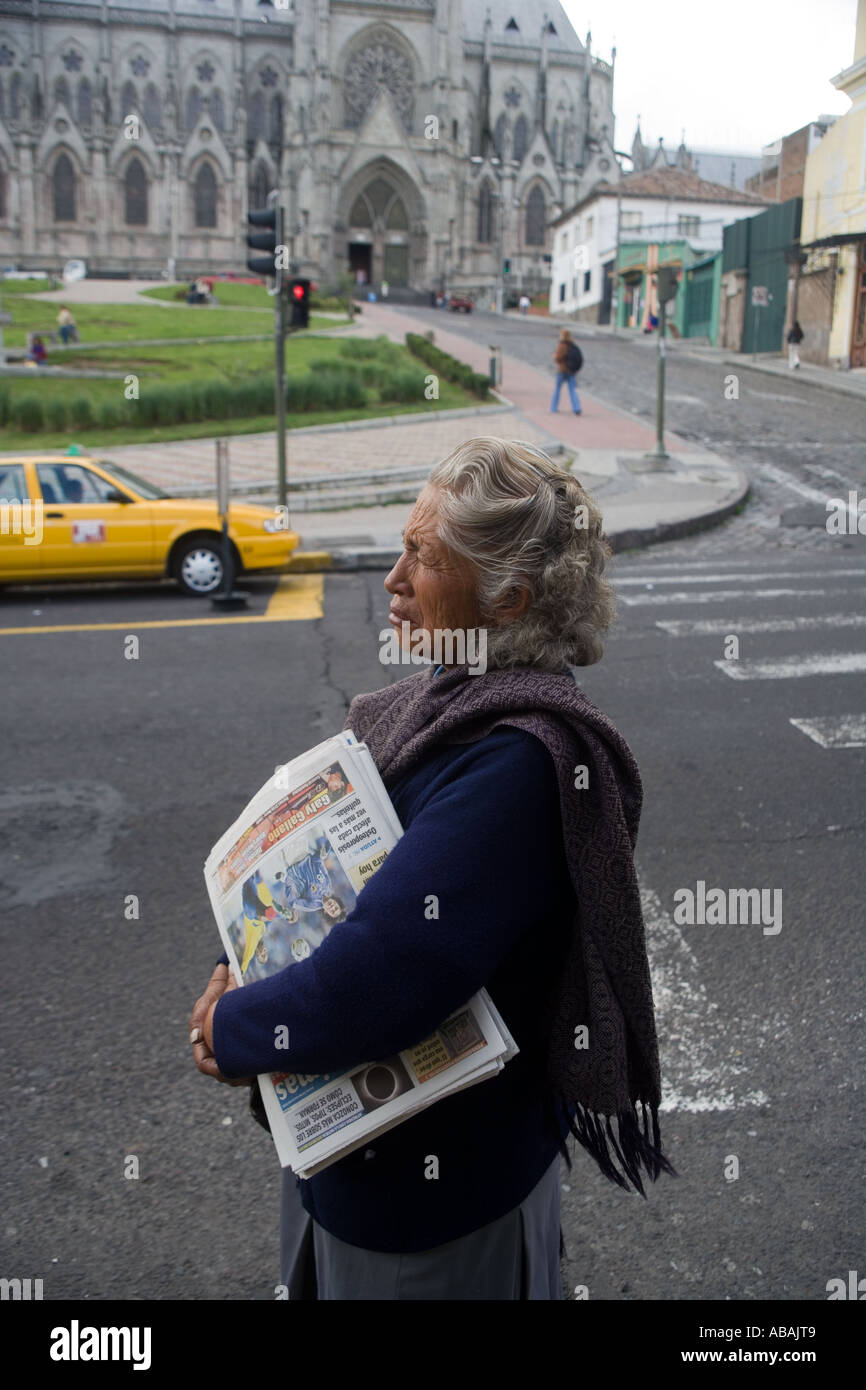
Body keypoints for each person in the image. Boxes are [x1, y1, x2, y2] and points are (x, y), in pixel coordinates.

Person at [189, 437, 675, 1300]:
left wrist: (234, 1029)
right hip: (352, 1171)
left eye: (425, 557)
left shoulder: (516, 763)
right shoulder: (442, 697)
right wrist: (242, 967)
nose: (393, 580)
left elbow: (384, 973)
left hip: (430, 1217)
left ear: (507, 598)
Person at [550, 328, 582, 414]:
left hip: (562, 371)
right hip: (571, 371)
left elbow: (557, 359)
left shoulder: (562, 345)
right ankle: (577, 407)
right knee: (572, 390)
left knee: (557, 389)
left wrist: (554, 355)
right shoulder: (573, 345)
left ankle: (553, 407)